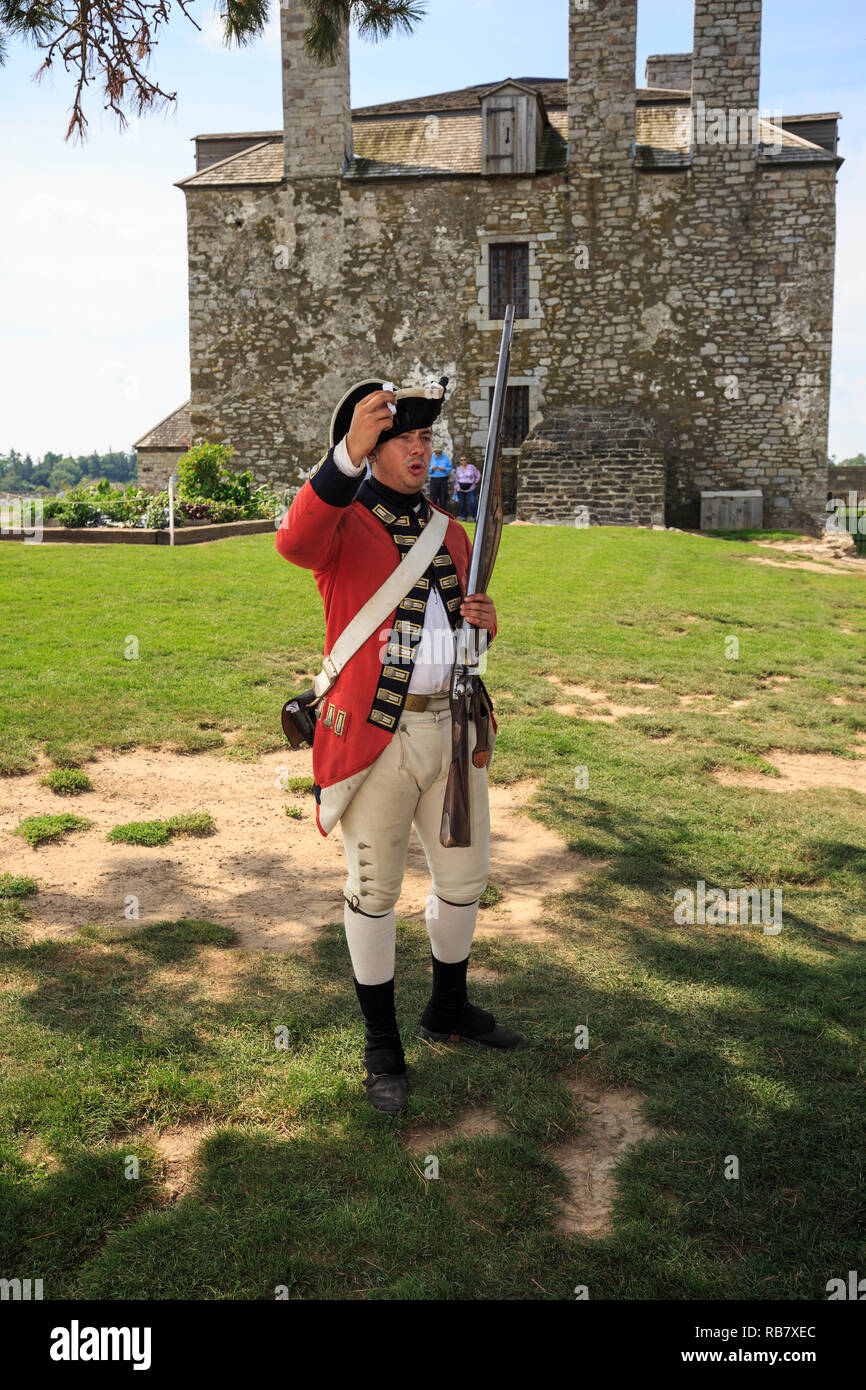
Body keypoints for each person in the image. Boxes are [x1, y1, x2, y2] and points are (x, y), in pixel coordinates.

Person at [275, 377, 527, 1116]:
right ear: (371, 451)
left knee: (465, 879)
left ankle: (447, 1010)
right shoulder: (344, 524)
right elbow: (294, 540)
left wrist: (483, 625)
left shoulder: (450, 531)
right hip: (374, 737)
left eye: (426, 440)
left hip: (450, 728)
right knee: (375, 890)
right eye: (403, 440)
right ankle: (382, 1043)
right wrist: (344, 452)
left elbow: (462, 642)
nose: (420, 451)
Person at [454, 455, 481, 521]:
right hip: (460, 488)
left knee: (472, 502)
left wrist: (475, 482)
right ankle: (463, 517)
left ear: (467, 460)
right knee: (462, 503)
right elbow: (457, 479)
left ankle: (475, 517)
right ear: (460, 461)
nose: (463, 461)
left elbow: (478, 474)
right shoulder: (458, 469)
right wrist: (455, 488)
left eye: (464, 459)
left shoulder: (471, 467)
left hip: (470, 487)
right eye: (461, 460)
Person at [428, 444, 453, 510]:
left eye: (439, 452)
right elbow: (427, 469)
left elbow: (450, 467)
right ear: (435, 452)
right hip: (434, 480)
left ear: (441, 452)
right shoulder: (431, 457)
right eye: (437, 453)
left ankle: (443, 514)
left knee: (443, 498)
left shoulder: (446, 458)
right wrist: (432, 469)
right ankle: (434, 514)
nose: (438, 454)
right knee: (434, 498)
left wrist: (445, 469)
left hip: (443, 480)